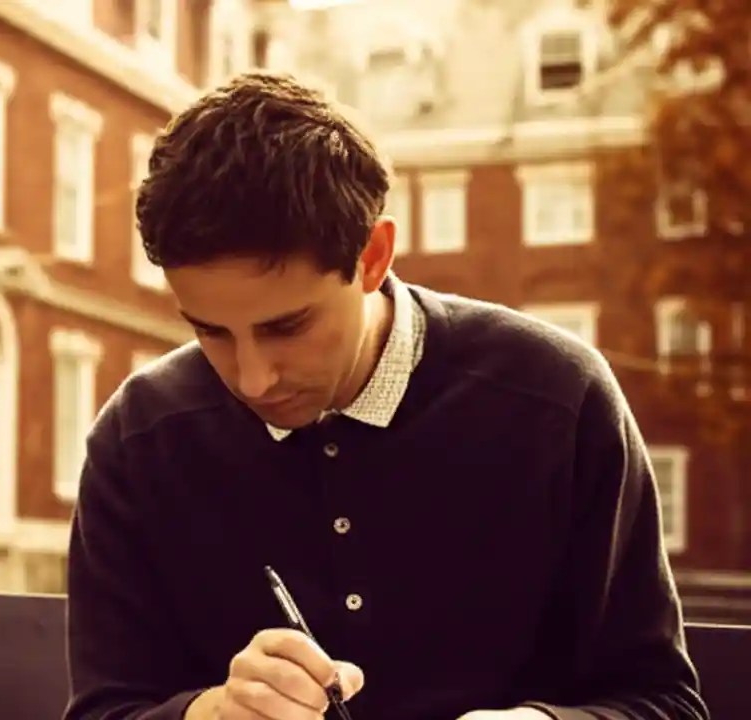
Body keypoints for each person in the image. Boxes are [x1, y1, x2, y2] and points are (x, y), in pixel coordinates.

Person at [61, 73, 709, 720]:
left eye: (287, 327)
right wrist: (208, 716)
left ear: (373, 257)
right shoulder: (138, 436)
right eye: (210, 332)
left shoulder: (559, 400)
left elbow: (666, 704)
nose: (253, 380)